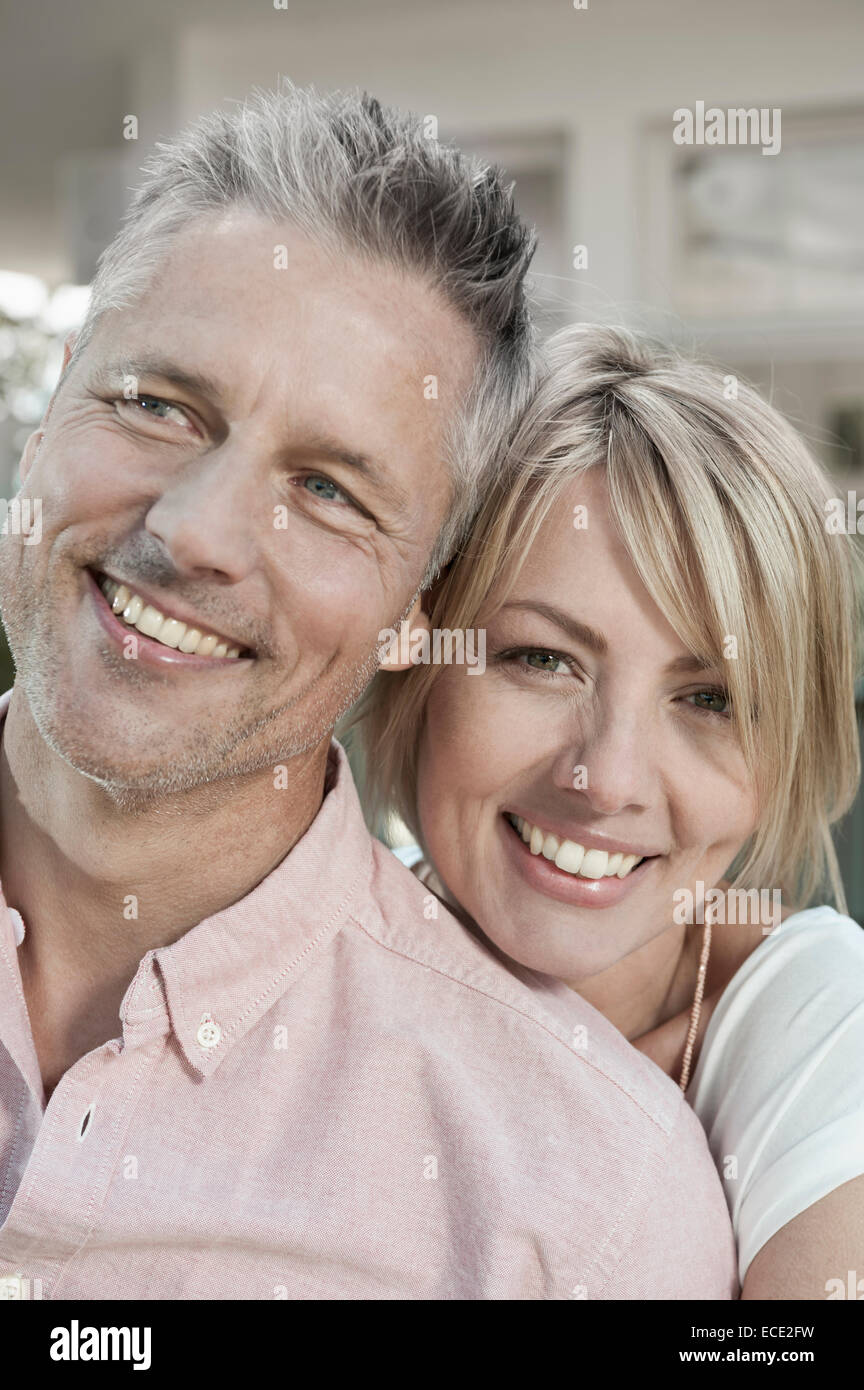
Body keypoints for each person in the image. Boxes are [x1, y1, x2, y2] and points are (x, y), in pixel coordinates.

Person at [0, 89, 736, 1300]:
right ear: (52, 408)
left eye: (332, 491)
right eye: (158, 405)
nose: (194, 535)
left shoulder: (586, 1210)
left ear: (421, 612)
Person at [359, 320, 864, 1300]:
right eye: (542, 659)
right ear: (418, 652)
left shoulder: (820, 1018)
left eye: (709, 698)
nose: (610, 776)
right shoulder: (278, 969)